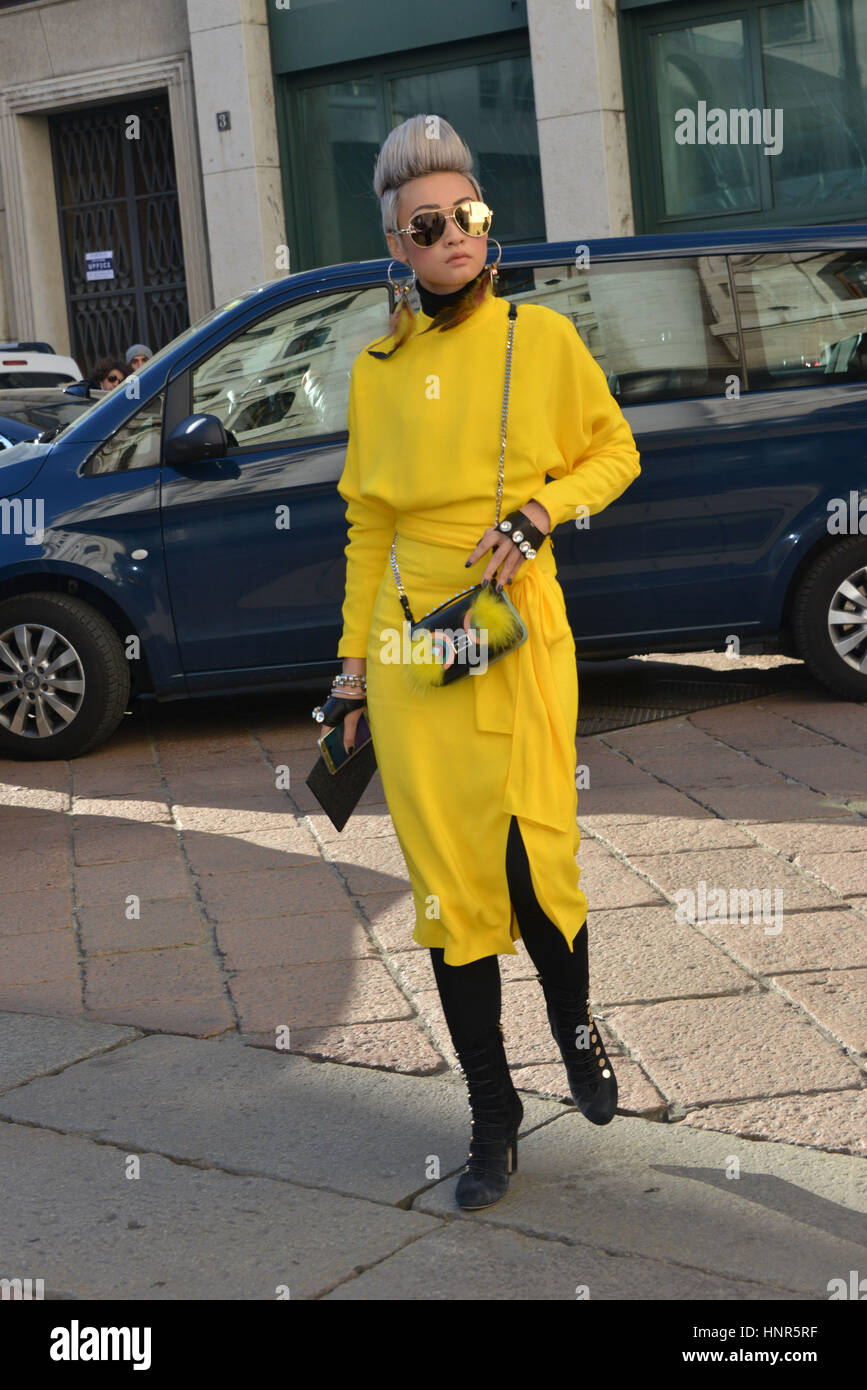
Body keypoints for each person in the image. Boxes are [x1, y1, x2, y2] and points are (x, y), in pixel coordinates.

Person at [312, 114, 641, 1212]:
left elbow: (616, 450)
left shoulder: (540, 342)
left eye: (470, 215)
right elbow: (365, 531)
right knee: (452, 896)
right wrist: (353, 674)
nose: (456, 234)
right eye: (429, 224)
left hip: (517, 636)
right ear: (398, 248)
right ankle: (492, 1120)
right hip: (415, 656)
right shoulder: (376, 370)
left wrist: (546, 509)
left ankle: (578, 1030)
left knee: (537, 871)